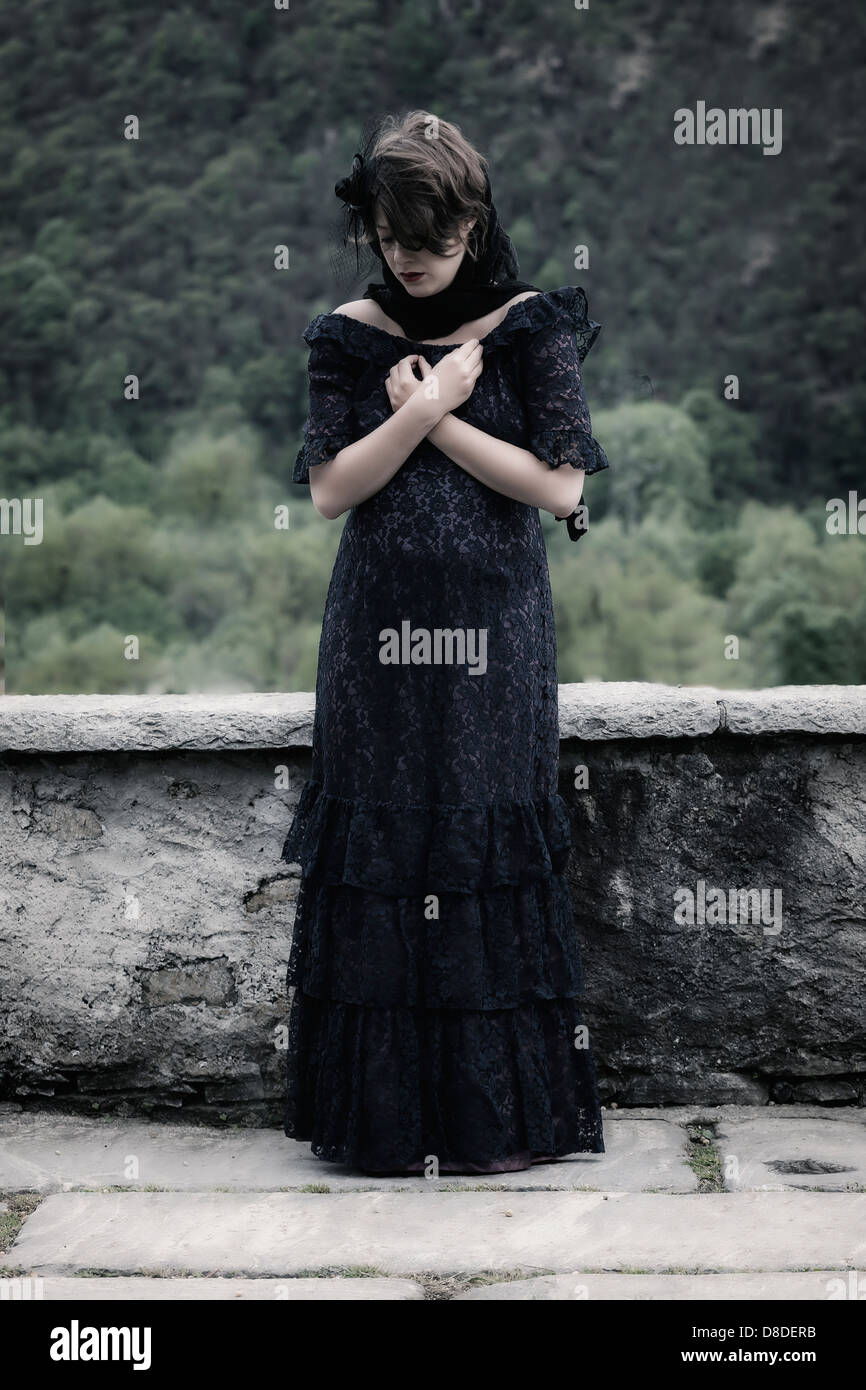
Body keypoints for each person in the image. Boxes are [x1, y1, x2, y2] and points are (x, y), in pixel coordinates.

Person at [281, 110, 609, 1175]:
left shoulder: (530, 325)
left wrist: (445, 407)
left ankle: (491, 1123)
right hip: (372, 631)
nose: (405, 261)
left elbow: (558, 486)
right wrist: (416, 413)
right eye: (387, 240)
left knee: (477, 845)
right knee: (388, 849)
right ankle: (382, 1126)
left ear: (471, 220)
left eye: (425, 241)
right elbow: (333, 491)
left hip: (495, 632)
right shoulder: (346, 330)